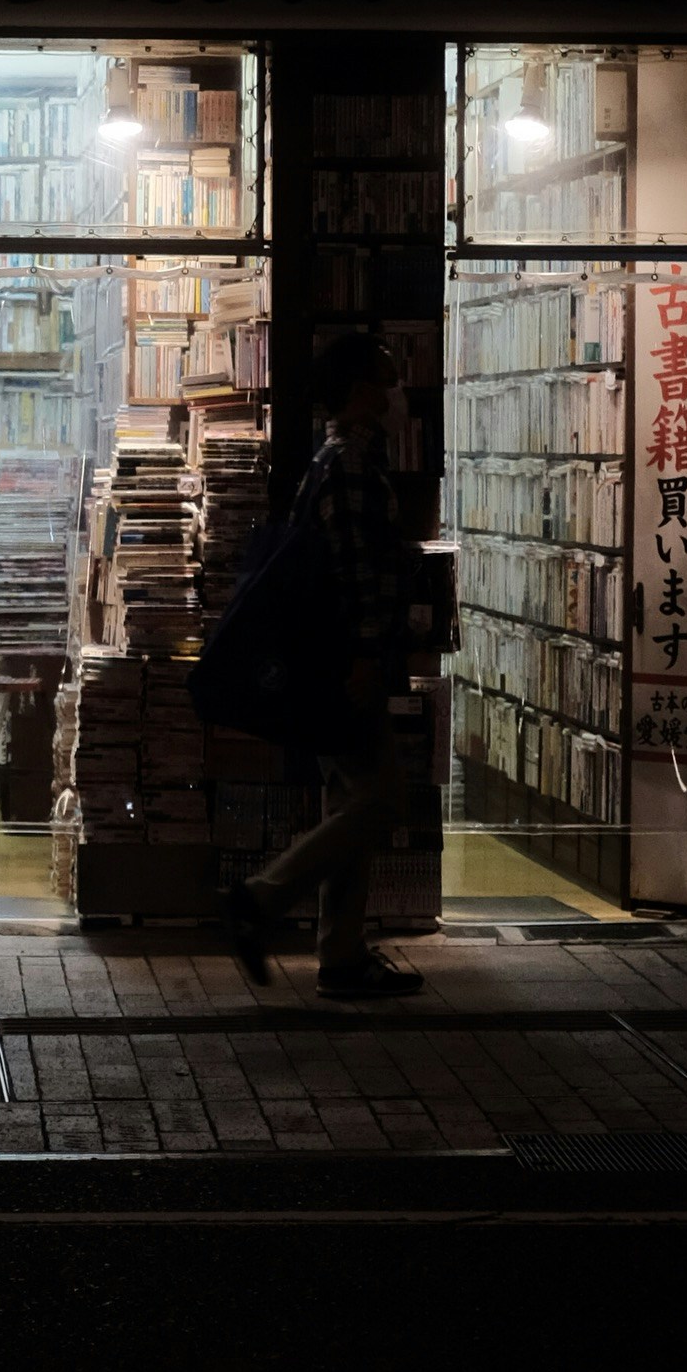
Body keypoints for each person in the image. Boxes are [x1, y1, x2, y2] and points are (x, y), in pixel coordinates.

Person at [221, 328, 425, 1001]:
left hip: (334, 661)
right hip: (347, 663)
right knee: (380, 801)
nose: (398, 393)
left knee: (351, 802)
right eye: (389, 379)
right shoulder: (351, 466)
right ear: (363, 390)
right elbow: (357, 573)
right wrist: (366, 657)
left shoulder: (332, 460)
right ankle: (260, 898)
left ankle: (341, 956)